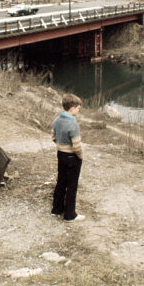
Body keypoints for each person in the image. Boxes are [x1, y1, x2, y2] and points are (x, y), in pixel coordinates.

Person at [52, 94, 85, 222]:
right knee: (72, 185)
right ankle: (70, 215)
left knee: (61, 181)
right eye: (78, 108)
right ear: (72, 108)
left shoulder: (57, 120)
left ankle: (57, 209)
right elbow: (76, 146)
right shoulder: (73, 124)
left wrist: (60, 146)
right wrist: (80, 156)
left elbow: (53, 137)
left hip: (61, 154)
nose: (78, 111)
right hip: (72, 157)